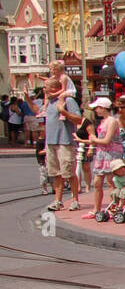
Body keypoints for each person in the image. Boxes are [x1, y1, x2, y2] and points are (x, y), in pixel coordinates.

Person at [41, 73, 83, 211]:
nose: (43, 89)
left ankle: (75, 200)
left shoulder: (67, 101)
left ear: (53, 88)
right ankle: (58, 201)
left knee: (69, 172)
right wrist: (29, 99)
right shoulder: (49, 103)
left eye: (45, 86)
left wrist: (63, 112)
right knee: (56, 173)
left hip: (65, 141)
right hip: (51, 142)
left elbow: (78, 119)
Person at [83, 97, 123, 219]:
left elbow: (107, 140)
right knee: (97, 182)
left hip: (112, 154)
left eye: (97, 108)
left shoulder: (112, 121)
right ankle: (96, 209)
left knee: (111, 182)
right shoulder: (103, 121)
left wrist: (94, 139)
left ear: (103, 108)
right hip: (101, 153)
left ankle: (113, 208)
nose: (96, 111)